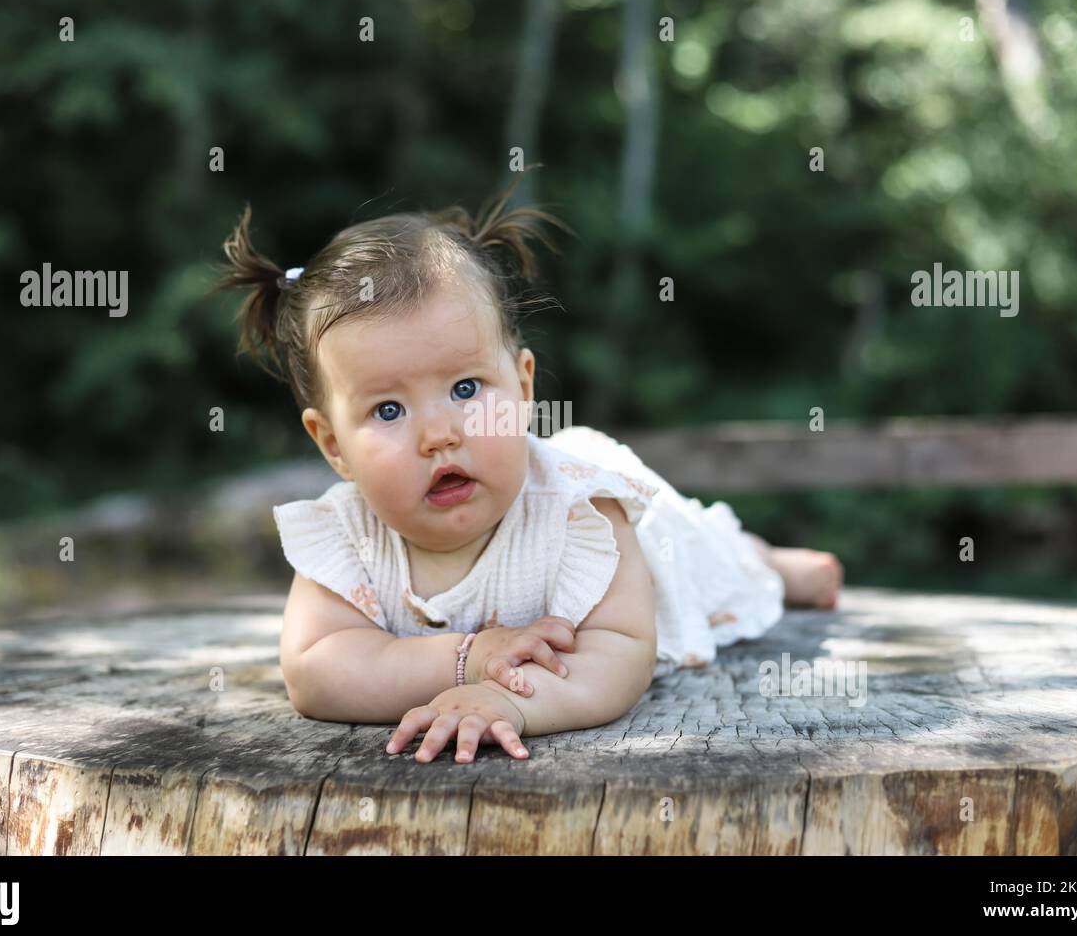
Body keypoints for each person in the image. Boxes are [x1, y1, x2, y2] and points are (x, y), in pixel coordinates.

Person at [215, 178, 842, 763]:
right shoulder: (347, 535)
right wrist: (465, 661)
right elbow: (317, 670)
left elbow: (621, 653)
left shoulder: (582, 511)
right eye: (387, 409)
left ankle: (770, 562)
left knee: (717, 557)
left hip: (667, 558)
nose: (439, 435)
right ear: (333, 447)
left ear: (522, 387)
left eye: (466, 388)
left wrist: (509, 698)